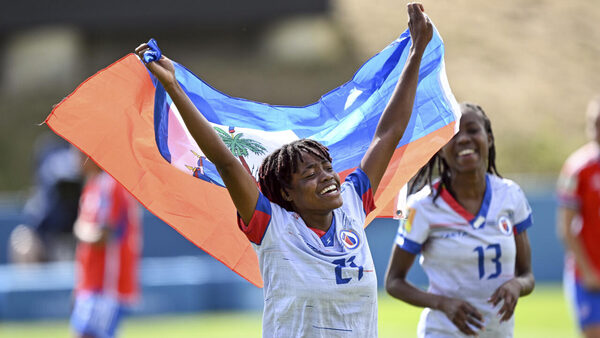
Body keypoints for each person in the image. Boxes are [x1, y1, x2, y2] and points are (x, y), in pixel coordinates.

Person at [135, 3, 432, 336]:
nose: (327, 177)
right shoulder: (271, 226)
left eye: (326, 167)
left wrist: (416, 53)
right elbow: (227, 163)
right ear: (286, 193)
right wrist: (174, 88)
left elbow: (388, 133)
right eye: (309, 175)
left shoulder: (352, 204)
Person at [385, 102, 535, 337]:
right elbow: (394, 281)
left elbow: (527, 275)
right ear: (440, 148)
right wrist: (443, 303)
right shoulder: (422, 206)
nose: (463, 139)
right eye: (453, 134)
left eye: (472, 130)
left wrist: (516, 285)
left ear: (489, 138)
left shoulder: (511, 195)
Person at [70, 155, 142, 338]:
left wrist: (79, 230)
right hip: (91, 281)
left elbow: (103, 235)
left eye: (78, 153)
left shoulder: (110, 185)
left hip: (107, 282)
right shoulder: (92, 186)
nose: (75, 160)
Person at [557, 95, 600, 338]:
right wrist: (588, 271)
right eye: (595, 123)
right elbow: (566, 227)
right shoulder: (577, 168)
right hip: (588, 276)